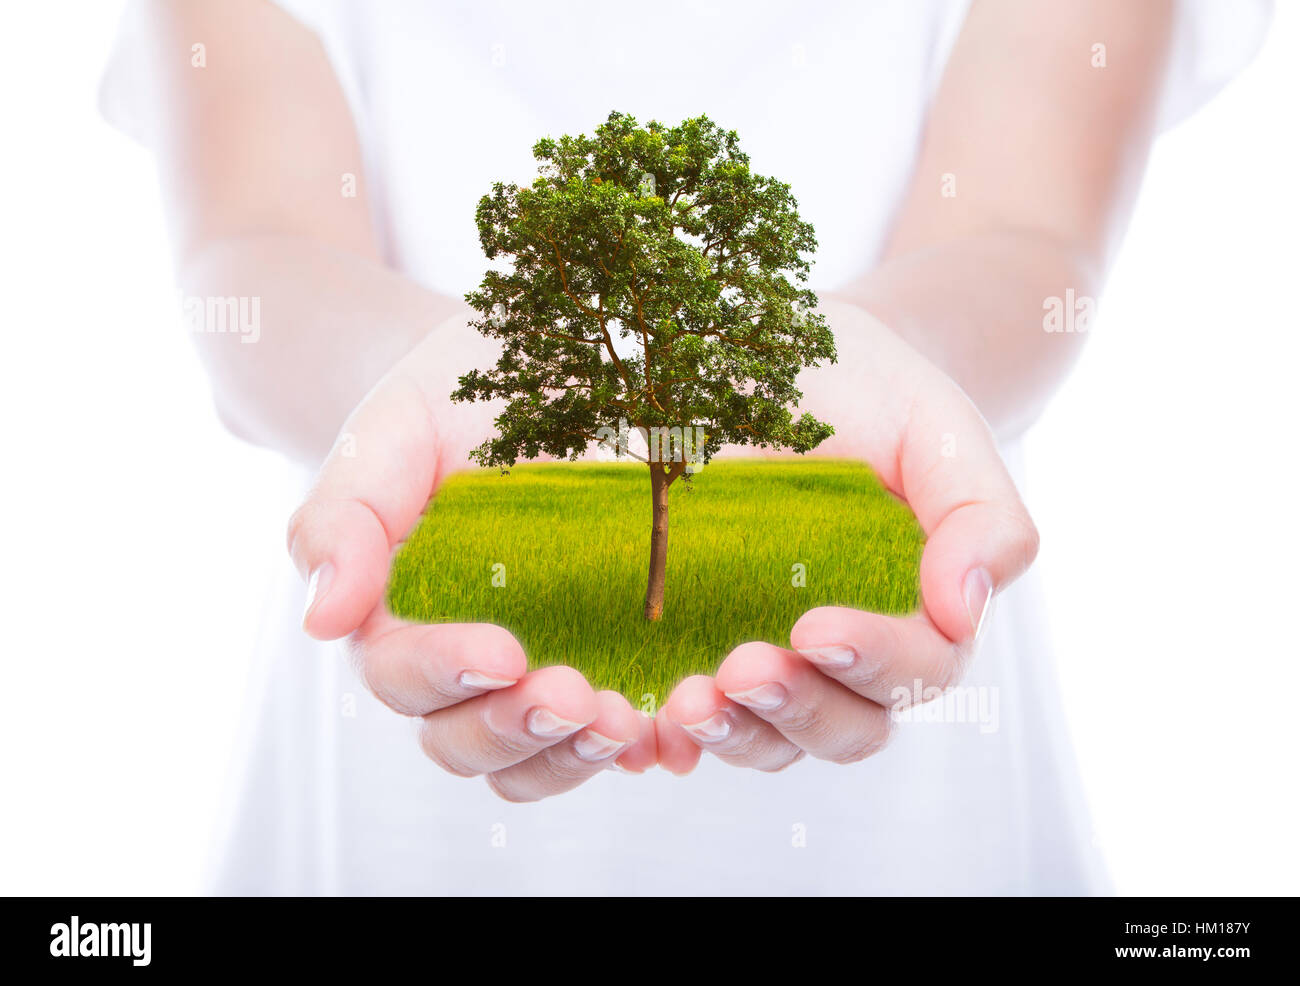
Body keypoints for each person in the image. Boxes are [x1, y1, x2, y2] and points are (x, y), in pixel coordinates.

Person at [100, 0, 1270, 893]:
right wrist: (429, 401)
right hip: (386, 818)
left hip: (920, 836)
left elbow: (1024, 234)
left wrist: (852, 371)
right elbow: (252, 249)